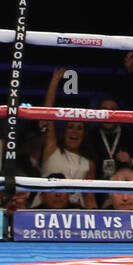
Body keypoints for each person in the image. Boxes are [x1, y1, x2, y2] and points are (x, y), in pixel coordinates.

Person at [39, 68, 97, 210]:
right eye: (70, 126)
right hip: (45, 208)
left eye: (79, 128)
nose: (74, 132)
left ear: (84, 134)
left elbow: (89, 197)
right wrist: (55, 80)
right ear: (64, 131)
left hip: (76, 214)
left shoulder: (88, 164)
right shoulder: (52, 149)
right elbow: (47, 113)